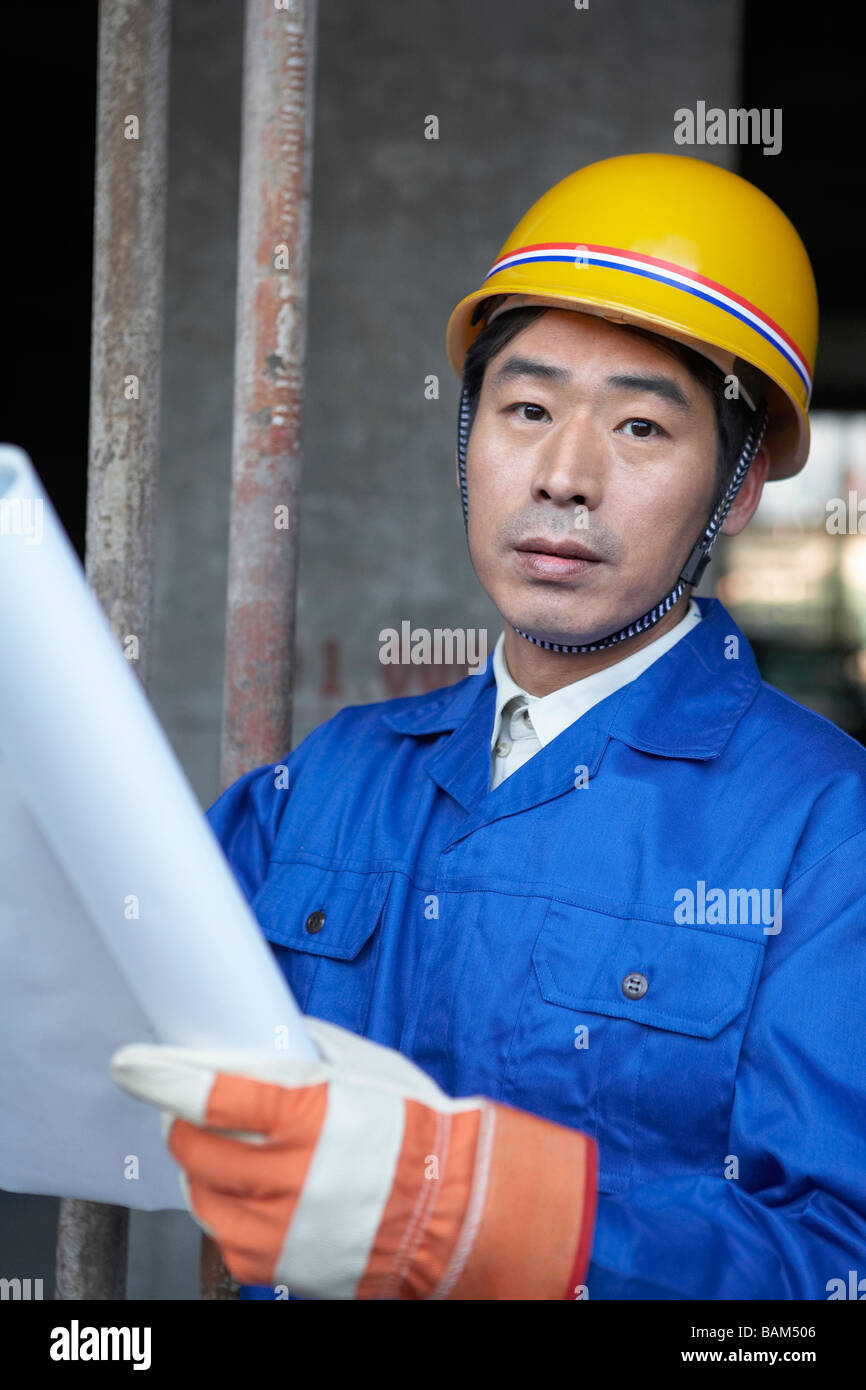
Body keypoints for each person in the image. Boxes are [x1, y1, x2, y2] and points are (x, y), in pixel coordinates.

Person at [112, 153, 866, 1300]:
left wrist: (492, 1223)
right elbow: (99, 981)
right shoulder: (335, 778)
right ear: (468, 433)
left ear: (741, 480)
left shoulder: (824, 829)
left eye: (640, 430)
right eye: (525, 408)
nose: (563, 476)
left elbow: (832, 1269)